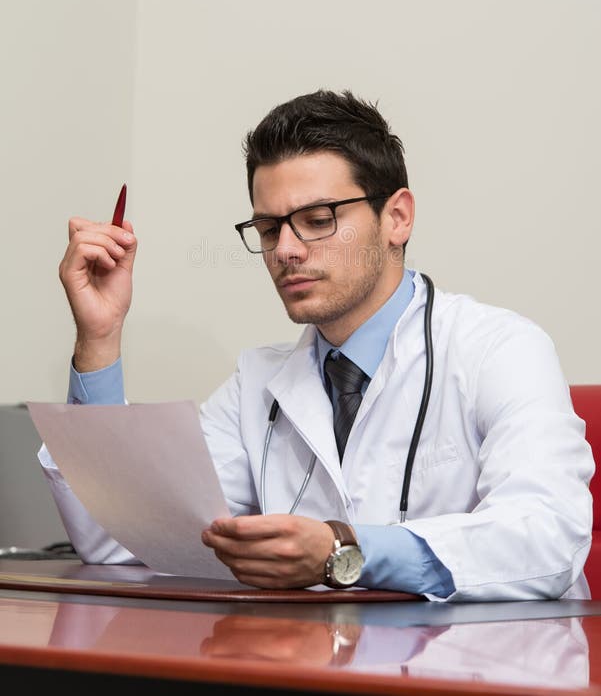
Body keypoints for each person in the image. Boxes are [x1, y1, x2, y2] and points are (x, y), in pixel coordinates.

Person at [39, 89, 593, 601]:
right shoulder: (256, 383)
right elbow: (121, 539)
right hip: (308, 667)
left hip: (484, 668)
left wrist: (343, 550)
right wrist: (100, 336)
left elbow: (548, 540)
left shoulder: (500, 349)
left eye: (317, 220)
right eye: (267, 228)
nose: (286, 250)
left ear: (396, 217)